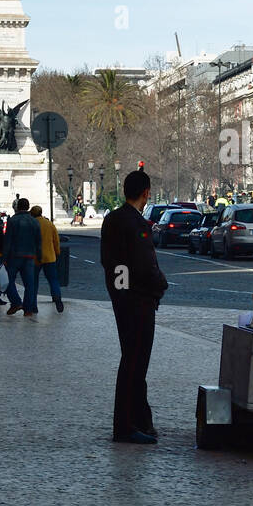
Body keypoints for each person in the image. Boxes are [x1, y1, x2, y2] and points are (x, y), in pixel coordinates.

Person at [101, 169, 169, 444]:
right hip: (138, 300)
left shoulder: (111, 220)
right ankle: (126, 425)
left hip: (121, 298)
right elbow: (145, 265)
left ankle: (141, 420)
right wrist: (160, 285)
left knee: (132, 359)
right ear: (145, 193)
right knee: (135, 363)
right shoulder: (137, 225)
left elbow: (112, 263)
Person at [2, 197, 41, 316]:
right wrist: (39, 256)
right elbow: (38, 241)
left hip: (14, 256)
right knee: (30, 284)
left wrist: (4, 258)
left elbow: (8, 240)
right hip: (29, 256)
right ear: (28, 207)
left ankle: (16, 302)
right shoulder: (34, 221)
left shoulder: (13, 220)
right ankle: (28, 309)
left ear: (18, 207)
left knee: (8, 281)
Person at [31, 205, 64, 311]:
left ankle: (33, 305)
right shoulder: (49, 224)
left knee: (34, 282)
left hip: (35, 257)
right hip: (50, 256)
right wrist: (57, 252)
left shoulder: (31, 224)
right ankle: (57, 297)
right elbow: (56, 240)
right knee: (53, 280)